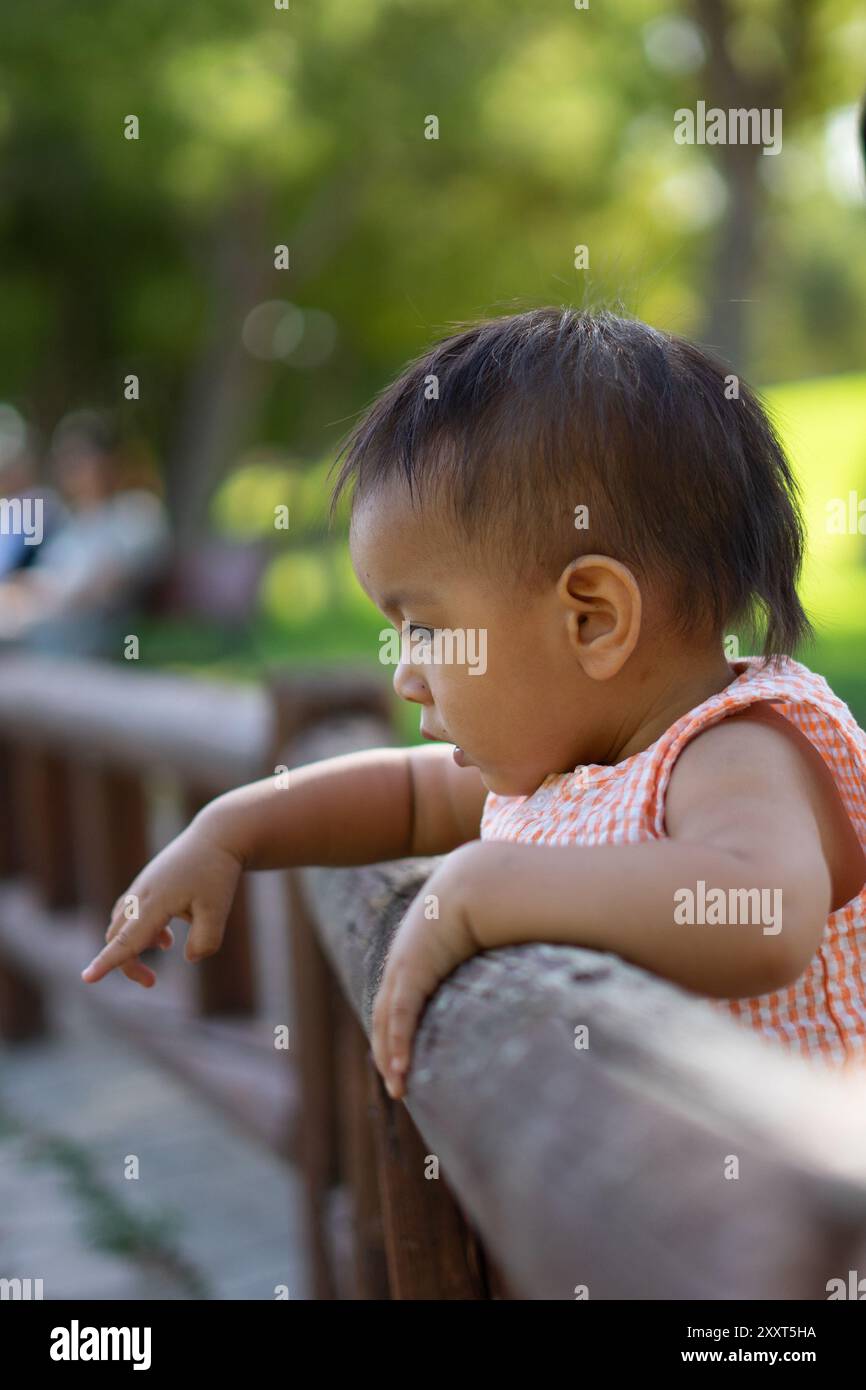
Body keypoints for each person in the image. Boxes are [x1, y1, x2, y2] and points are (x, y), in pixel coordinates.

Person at [80, 308, 866, 1098]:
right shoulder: (577, 764)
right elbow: (411, 796)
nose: (405, 675)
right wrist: (232, 832)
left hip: (800, 1198)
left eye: (424, 630)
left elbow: (761, 916)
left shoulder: (734, 751)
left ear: (592, 618)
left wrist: (481, 892)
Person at [0, 409, 169, 656]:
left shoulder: (137, 513)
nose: (69, 468)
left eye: (79, 457)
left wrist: (35, 602)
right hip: (36, 624)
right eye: (64, 458)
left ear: (108, 461)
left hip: (82, 634)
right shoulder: (69, 521)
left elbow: (105, 587)